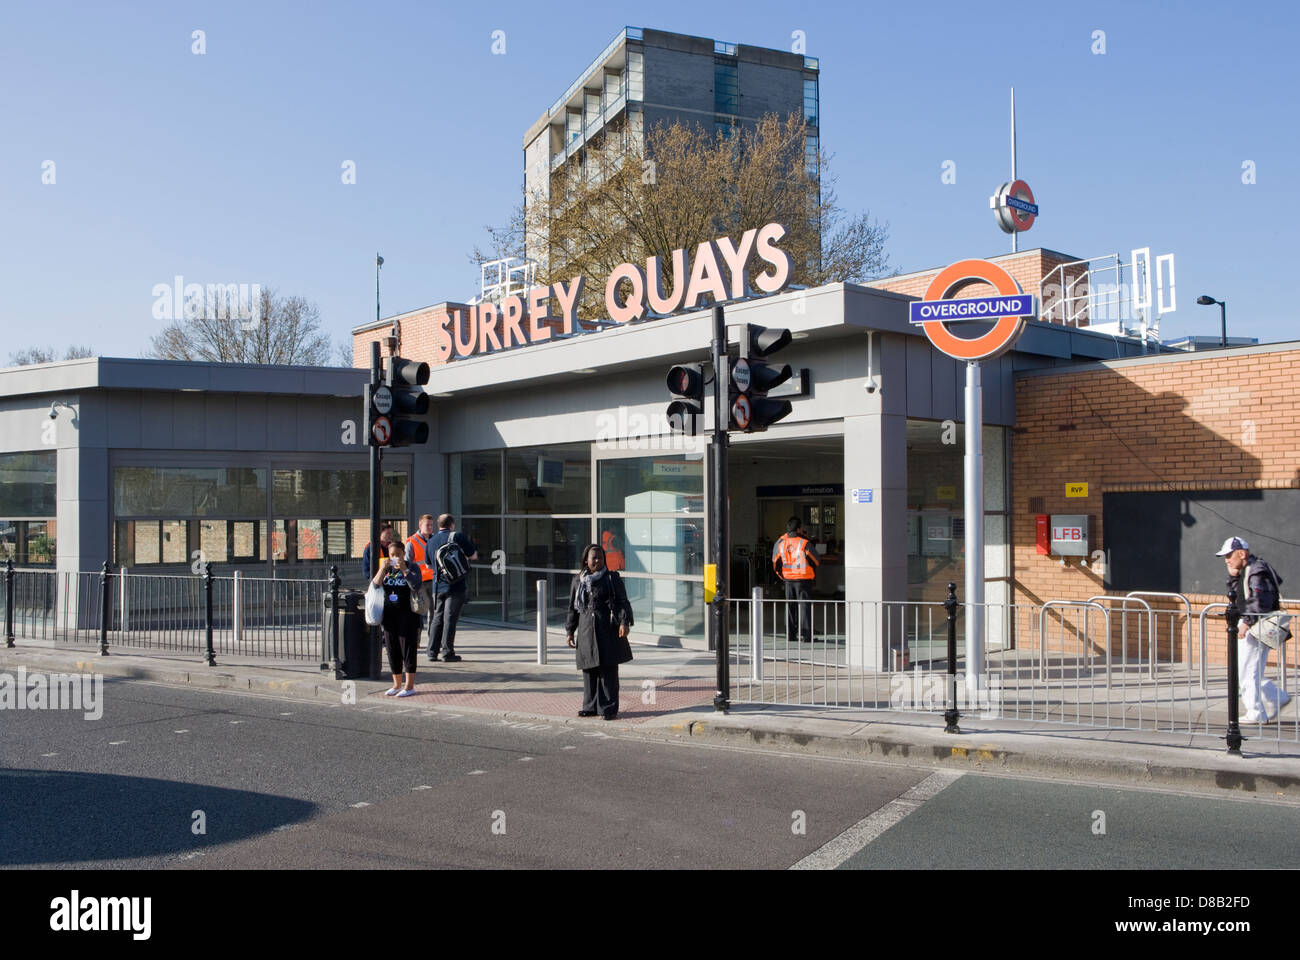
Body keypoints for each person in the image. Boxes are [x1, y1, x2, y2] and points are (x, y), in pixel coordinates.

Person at [1219, 535, 1292, 723]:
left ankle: (1256, 712)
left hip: (1255, 626)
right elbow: (1238, 596)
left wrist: (1246, 622)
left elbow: (1260, 600)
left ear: (1241, 553)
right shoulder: (1248, 569)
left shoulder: (1256, 569)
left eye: (1229, 555)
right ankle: (1278, 697)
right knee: (1249, 670)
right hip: (1253, 625)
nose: (1227, 559)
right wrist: (1233, 576)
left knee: (1246, 671)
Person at [566, 543, 634, 720]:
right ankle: (590, 706)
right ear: (586, 560)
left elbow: (622, 602)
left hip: (607, 628)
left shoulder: (611, 578)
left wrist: (624, 622)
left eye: (600, 557)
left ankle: (609, 708)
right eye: (594, 558)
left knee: (608, 671)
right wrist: (569, 631)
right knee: (589, 669)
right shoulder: (578, 581)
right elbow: (573, 609)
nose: (597, 560)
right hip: (586, 630)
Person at [371, 540, 421, 698]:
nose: (395, 558)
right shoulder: (386, 569)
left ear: (403, 554)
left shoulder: (412, 567)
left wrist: (405, 570)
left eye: (398, 555)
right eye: (392, 555)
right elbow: (374, 585)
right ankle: (396, 684)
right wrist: (382, 569)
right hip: (389, 615)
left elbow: (416, 585)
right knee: (392, 650)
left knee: (408, 650)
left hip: (408, 615)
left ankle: (409, 686)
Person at [426, 513, 478, 662]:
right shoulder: (457, 537)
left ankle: (431, 652)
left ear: (438, 525)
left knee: (437, 617)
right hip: (456, 585)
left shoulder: (431, 541)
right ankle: (447, 653)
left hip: (437, 586)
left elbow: (429, 565)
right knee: (450, 618)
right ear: (452, 525)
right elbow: (473, 555)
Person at [772, 517, 819, 645]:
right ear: (798, 528)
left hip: (788, 580)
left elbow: (775, 562)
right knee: (804, 606)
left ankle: (790, 635)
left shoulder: (780, 542)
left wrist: (782, 576)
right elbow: (816, 560)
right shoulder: (804, 543)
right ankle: (806, 635)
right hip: (803, 579)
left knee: (790, 606)